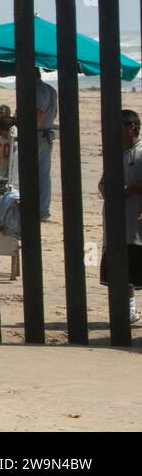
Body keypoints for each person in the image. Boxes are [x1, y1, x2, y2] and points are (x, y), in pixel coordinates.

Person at [98, 109, 142, 323]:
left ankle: (129, 311)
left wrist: (124, 190)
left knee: (133, 270)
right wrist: (112, 190)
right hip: (115, 224)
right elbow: (103, 184)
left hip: (135, 224)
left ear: (131, 127)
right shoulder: (114, 154)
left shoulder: (140, 153)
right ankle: (126, 313)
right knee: (118, 273)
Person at [34, 69, 58, 221]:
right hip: (43, 133)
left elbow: (38, 114)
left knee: (40, 174)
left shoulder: (38, 89)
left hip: (38, 134)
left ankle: (42, 210)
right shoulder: (48, 89)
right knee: (42, 173)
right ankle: (42, 210)